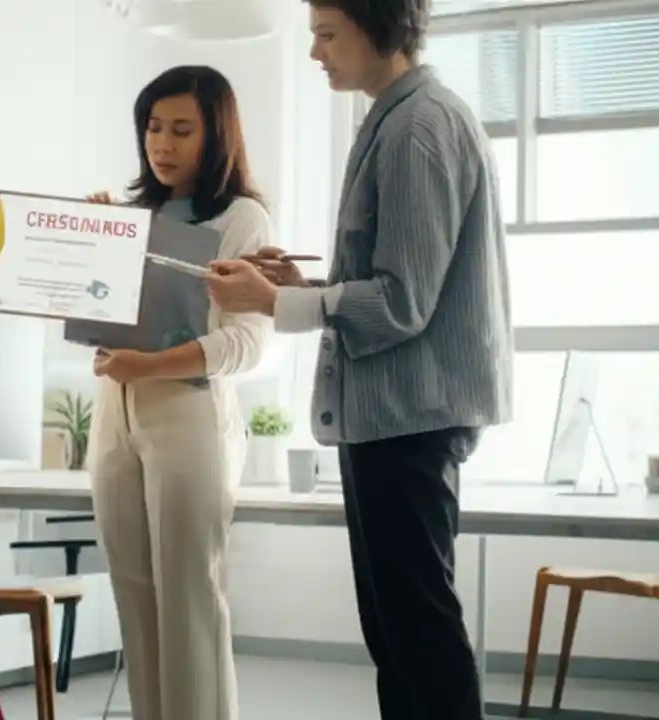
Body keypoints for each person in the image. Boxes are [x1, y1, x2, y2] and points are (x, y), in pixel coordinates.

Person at [208, 1, 513, 718]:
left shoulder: (416, 129)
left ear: (379, 26)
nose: (315, 52)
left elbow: (403, 302)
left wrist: (277, 303)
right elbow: (398, 283)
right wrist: (299, 288)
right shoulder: (398, 119)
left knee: (415, 631)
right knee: (400, 630)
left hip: (408, 415)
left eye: (326, 34)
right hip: (397, 413)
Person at [84, 65, 272, 720]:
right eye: (153, 127)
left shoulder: (243, 218)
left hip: (190, 410)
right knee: (134, 598)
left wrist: (150, 366)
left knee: (189, 596)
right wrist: (91, 242)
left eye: (181, 130)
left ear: (216, 134)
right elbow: (97, 317)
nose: (162, 144)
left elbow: (245, 343)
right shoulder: (135, 214)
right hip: (116, 410)